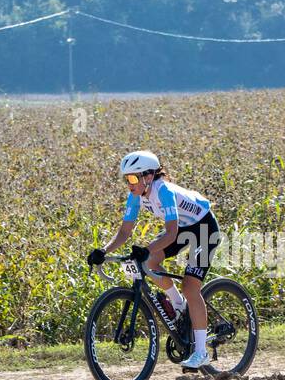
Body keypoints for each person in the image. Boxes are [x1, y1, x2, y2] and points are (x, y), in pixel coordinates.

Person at [87, 150, 220, 367]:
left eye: (132, 178)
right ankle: (178, 305)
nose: (129, 184)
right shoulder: (136, 196)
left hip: (204, 227)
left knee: (190, 286)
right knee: (148, 262)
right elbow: (124, 233)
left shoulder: (164, 191)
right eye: (126, 179)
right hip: (183, 229)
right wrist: (103, 251)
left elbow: (171, 233)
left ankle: (201, 351)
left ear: (148, 177)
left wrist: (147, 248)